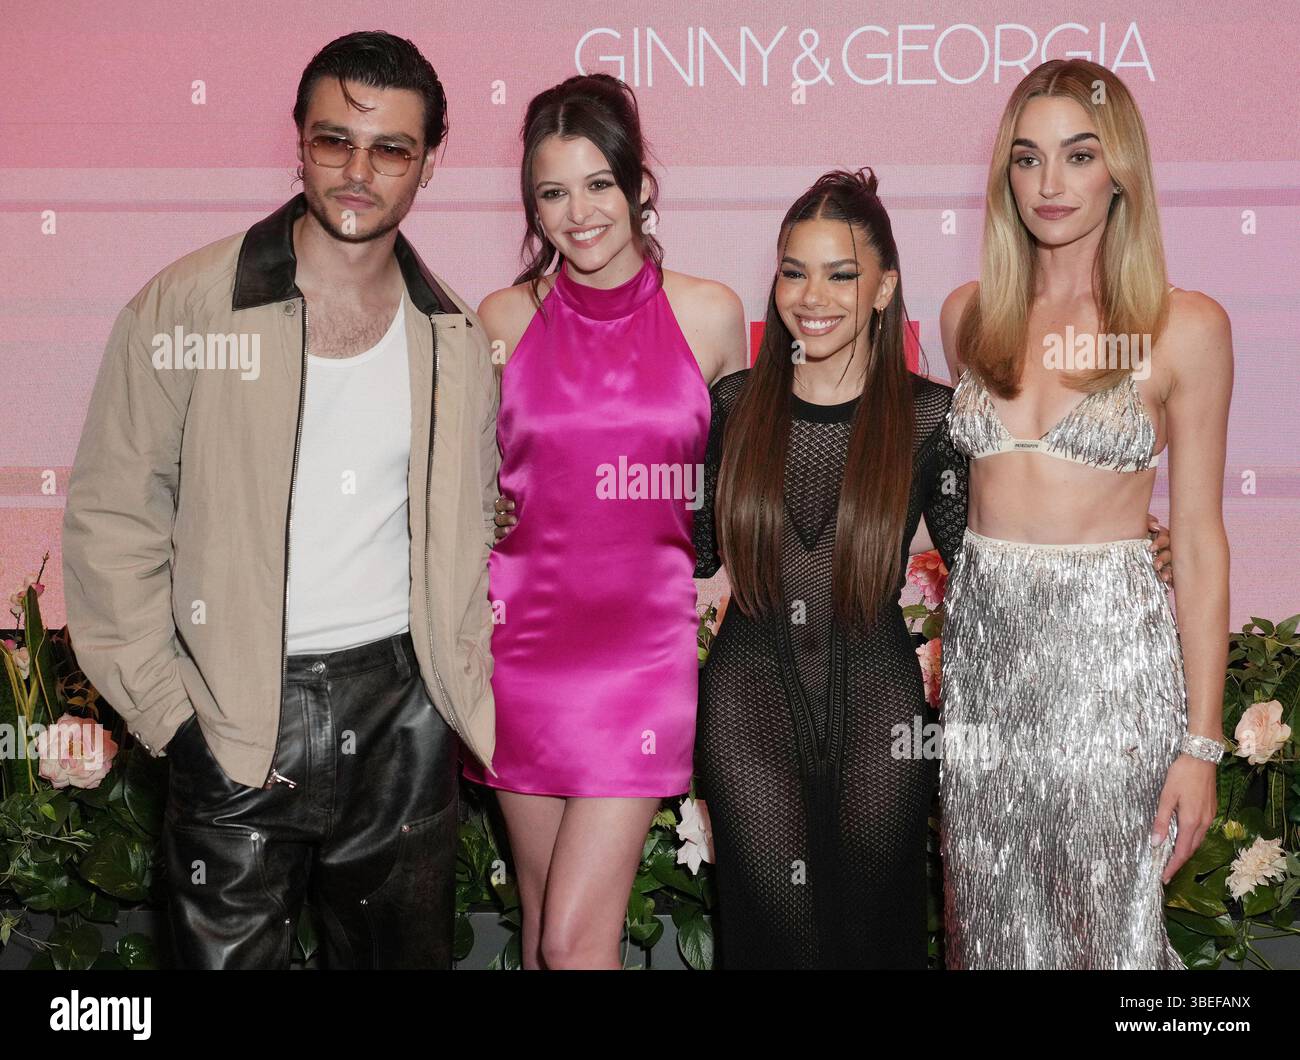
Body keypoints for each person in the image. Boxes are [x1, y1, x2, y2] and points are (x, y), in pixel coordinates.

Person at [61, 32, 499, 969]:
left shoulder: (452, 335)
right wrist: (174, 723)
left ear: (430, 163)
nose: (357, 172)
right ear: (297, 141)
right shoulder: (186, 307)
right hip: (232, 708)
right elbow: (112, 521)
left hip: (402, 716)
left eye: (390, 150)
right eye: (334, 140)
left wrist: (451, 685)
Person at [938, 59, 1231, 969]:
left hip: (1111, 679)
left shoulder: (1185, 327)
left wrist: (1202, 747)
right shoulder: (969, 318)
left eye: (1078, 155)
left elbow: (1200, 543)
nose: (1050, 183)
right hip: (986, 678)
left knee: (1112, 941)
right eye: (1027, 159)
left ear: (1122, 173)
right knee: (989, 934)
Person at [460, 74, 747, 969]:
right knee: (549, 946)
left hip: (641, 656)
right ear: (531, 206)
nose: (577, 213)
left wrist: (726, 579)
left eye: (597, 185)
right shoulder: (501, 320)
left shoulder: (709, 314)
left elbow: (743, 484)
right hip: (522, 651)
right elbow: (463, 485)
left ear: (639, 187)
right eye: (553, 192)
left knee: (577, 943)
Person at [689, 168, 968, 968]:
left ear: (882, 288)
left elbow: (987, 565)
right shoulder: (733, 405)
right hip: (747, 710)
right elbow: (694, 547)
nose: (813, 295)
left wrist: (1128, 533)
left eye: (842, 273)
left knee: (873, 941)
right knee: (776, 938)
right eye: (794, 270)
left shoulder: (930, 416)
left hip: (881, 714)